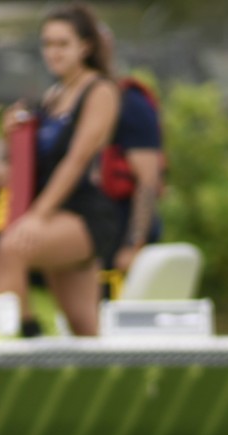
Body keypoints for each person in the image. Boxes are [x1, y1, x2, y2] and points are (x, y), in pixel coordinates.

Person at [0, 3, 121, 337]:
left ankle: (27, 340)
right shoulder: (53, 95)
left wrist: (38, 216)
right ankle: (102, 384)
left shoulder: (99, 90)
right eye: (48, 44)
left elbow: (77, 159)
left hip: (82, 213)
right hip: (52, 211)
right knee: (84, 325)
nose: (53, 53)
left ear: (84, 47)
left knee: (11, 248)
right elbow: (30, 158)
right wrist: (8, 137)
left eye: (63, 44)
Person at [97, 24, 164, 281]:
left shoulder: (130, 103)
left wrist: (134, 243)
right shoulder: (64, 101)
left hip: (122, 230)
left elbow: (148, 180)